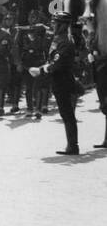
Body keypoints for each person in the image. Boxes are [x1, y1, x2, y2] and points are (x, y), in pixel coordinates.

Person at [32, 11, 81, 155]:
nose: (53, 25)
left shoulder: (65, 41)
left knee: (67, 114)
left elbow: (58, 63)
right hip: (58, 79)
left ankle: (73, 146)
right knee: (66, 114)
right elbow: (52, 59)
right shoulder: (59, 38)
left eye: (56, 23)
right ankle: (72, 145)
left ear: (63, 25)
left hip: (63, 80)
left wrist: (41, 70)